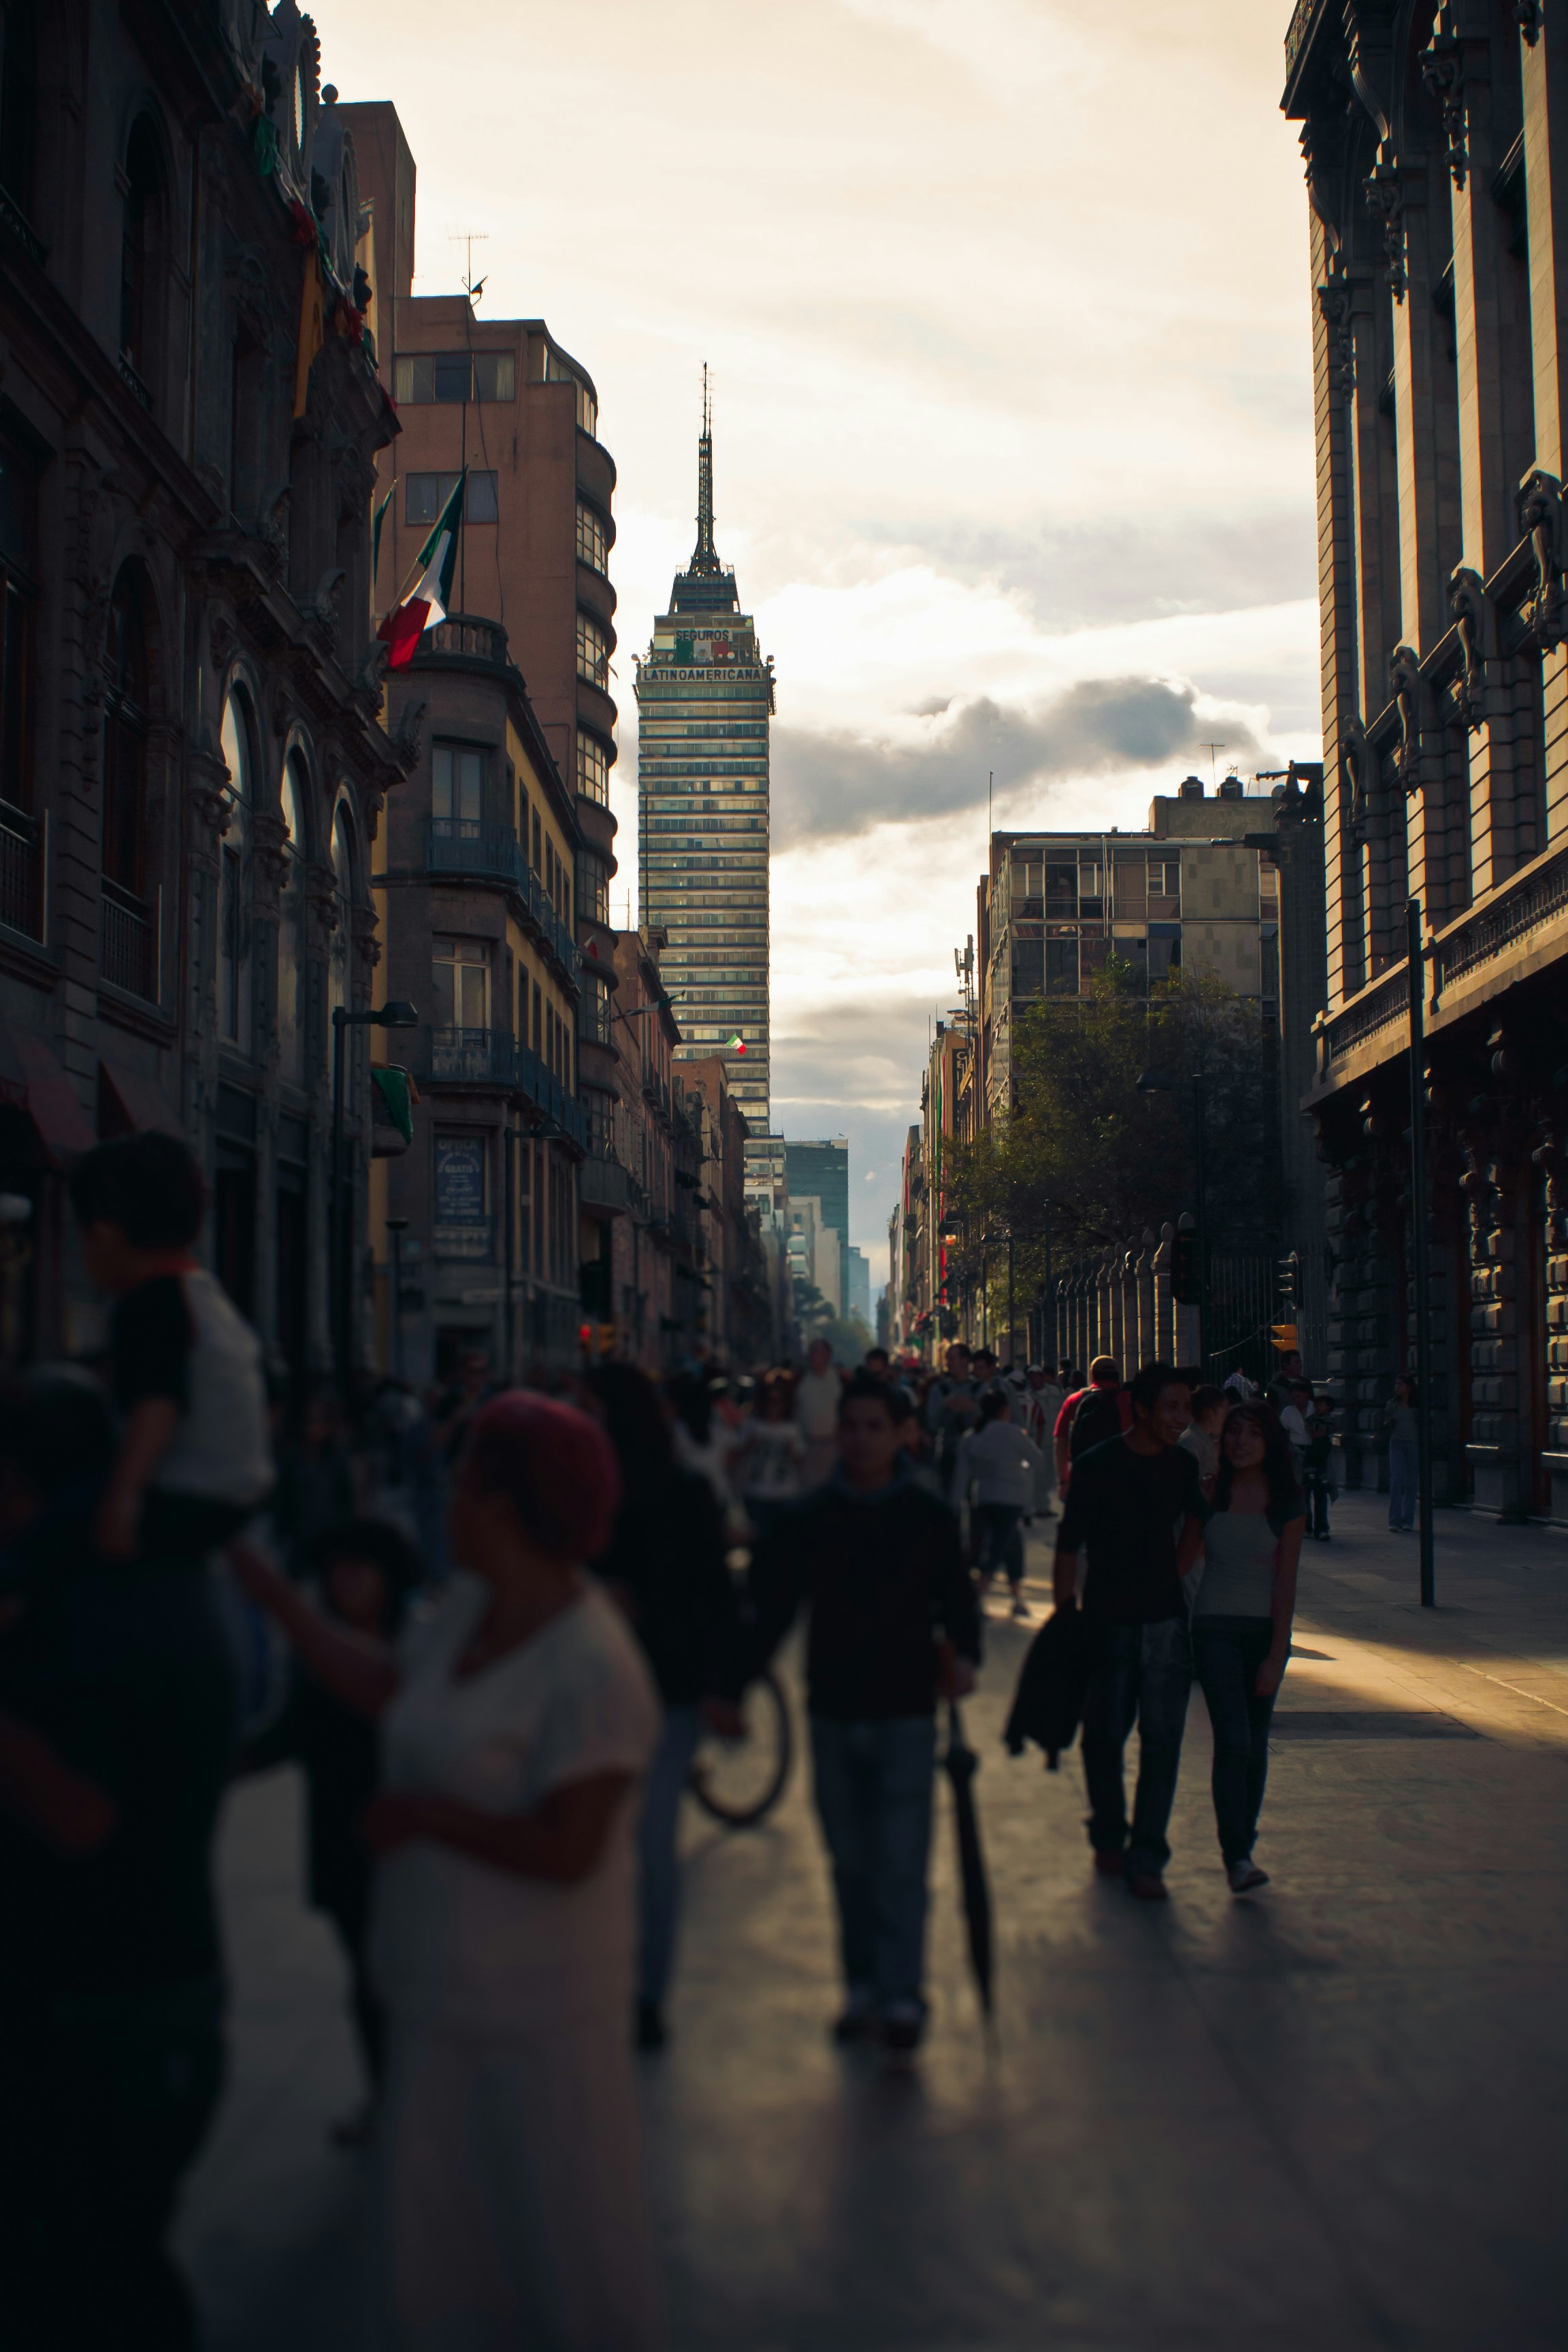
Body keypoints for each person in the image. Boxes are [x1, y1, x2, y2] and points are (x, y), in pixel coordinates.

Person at [232, 1392, 664, 2351]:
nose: (449, 1497)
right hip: (436, 2006)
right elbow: (390, 1686)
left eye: (466, 1479)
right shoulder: (461, 1610)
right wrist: (277, 1602)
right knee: (442, 2272)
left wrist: (424, 1818)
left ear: (504, 1505)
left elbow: (569, 1847)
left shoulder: (592, 1666)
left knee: (552, 2270)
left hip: (538, 2029)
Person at [0, 1364, 239, 2350]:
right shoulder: (151, 1578)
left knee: (87, 2274)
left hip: (114, 2009)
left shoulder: (101, 1610)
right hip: (148, 1992)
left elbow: (82, 1816)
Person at [747, 1373, 980, 2057]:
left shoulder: (929, 1516)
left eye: (875, 1426)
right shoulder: (811, 1516)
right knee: (849, 1862)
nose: (861, 1438)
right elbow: (776, 1607)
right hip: (833, 1708)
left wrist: (963, 1655)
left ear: (902, 1433)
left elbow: (956, 1602)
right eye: (850, 1426)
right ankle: (861, 1985)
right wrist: (732, 1683)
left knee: (902, 1862)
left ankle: (902, 1992)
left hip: (908, 1710)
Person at [242, 1515, 426, 2143]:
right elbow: (279, 1737)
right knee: (365, 1977)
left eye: (360, 1568)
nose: (345, 1581)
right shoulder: (317, 1658)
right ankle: (387, 2094)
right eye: (337, 1568)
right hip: (343, 1839)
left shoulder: (418, 1649)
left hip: (407, 1843)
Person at [587, 1363, 744, 2053]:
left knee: (648, 1845)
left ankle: (644, 1993)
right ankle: (617, 1982)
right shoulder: (575, 1498)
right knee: (622, 1848)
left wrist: (723, 1686)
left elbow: (713, 1595)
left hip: (658, 1693)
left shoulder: (672, 1495)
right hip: (600, 1694)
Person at [68, 1131, 273, 1562]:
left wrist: (123, 1500)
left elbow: (157, 1406)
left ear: (104, 1235)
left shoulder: (149, 1301)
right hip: (237, 1499)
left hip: (183, 1498)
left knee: (51, 1517)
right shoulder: (204, 1296)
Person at [1053, 1362, 1206, 1901]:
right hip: (1107, 1620)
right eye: (1171, 1408)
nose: (1181, 1419)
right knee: (1103, 1738)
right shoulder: (1098, 1465)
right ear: (1140, 1407)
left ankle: (1147, 1856)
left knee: (1162, 1742)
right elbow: (1068, 1544)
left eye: (1186, 1408)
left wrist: (1178, 1567)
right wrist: (1063, 1616)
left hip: (1165, 1622)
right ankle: (1108, 1834)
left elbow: (1197, 1520)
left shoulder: (1182, 1467)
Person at [1181, 1403, 1304, 1893]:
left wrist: (1278, 1654)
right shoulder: (1209, 1494)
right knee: (1232, 1739)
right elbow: (1183, 1559)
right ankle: (1236, 1855)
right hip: (1213, 1630)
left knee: (1254, 1744)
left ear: (1269, 1442)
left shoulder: (1288, 1502)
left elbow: (1286, 1584)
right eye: (1233, 1432)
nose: (1240, 1442)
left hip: (1262, 1633)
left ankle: (1243, 1843)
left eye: (1253, 1434)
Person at [951, 1388, 1042, 1619]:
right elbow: (1037, 1460)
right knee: (999, 1547)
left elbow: (960, 1477)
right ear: (1004, 1410)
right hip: (1011, 1499)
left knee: (1010, 1547)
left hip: (982, 1498)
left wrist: (954, 1507)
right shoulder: (1014, 1434)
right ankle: (976, 1598)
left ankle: (1018, 1599)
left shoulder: (973, 1436)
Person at [730, 1369, 807, 1537]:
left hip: (786, 1493)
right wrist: (749, 1445)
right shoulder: (752, 1425)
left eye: (779, 1402)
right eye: (770, 1401)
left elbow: (801, 1462)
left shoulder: (791, 1429)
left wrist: (791, 1450)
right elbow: (734, 1457)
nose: (774, 1407)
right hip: (756, 1493)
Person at [1054, 1355, 1130, 1493]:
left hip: (1084, 1475)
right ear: (1118, 1376)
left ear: (1091, 1375)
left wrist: (1064, 1481)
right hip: (1121, 1476)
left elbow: (1061, 1441)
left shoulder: (1074, 1400)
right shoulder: (1128, 1401)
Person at [924, 1341, 981, 1491]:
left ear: (965, 1360)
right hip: (948, 1451)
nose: (948, 1363)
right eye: (947, 1359)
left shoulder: (979, 1389)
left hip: (976, 1452)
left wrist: (972, 1408)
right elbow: (932, 1423)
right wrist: (946, 1405)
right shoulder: (939, 1390)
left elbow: (990, 1421)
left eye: (952, 1358)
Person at [795, 1337, 844, 1486]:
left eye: (818, 1352)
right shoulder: (799, 1380)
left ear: (828, 1355)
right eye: (812, 1352)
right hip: (806, 1445)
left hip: (833, 1446)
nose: (814, 1356)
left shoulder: (841, 1379)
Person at [1384, 1373, 1419, 1531]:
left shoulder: (1416, 1406)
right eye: (1396, 1384)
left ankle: (1408, 1521)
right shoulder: (1392, 1404)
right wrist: (1387, 1423)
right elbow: (1386, 1423)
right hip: (1396, 1443)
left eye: (1401, 1384)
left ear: (1409, 1387)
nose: (1397, 1387)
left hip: (1413, 1443)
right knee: (1397, 1480)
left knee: (1411, 1483)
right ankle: (1394, 1521)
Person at [1178, 1383, 1228, 1494]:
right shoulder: (1190, 1442)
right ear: (1211, 1414)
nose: (1226, 1419)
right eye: (1224, 1414)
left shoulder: (1201, 1440)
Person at [1301, 1393, 1335, 1541]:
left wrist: (1317, 1431)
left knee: (1321, 1494)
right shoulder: (1311, 1418)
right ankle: (1307, 1527)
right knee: (1306, 1494)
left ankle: (1321, 1528)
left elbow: (1322, 1431)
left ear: (1328, 1407)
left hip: (1322, 1462)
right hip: (1309, 1459)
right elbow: (1312, 1430)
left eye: (1321, 1404)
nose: (1318, 1407)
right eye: (1317, 1404)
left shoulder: (1330, 1420)